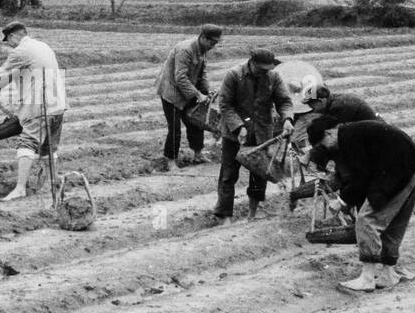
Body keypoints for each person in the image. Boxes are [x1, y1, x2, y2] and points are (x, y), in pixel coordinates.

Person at [308, 116, 415, 292]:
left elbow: (363, 178)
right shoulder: (353, 132)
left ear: (329, 132)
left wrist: (342, 201)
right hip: (412, 168)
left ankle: (367, 278)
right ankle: (388, 274)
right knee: (393, 222)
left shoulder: (349, 139)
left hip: (396, 170)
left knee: (366, 220)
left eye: (323, 142)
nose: (325, 147)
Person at [0, 21, 68, 201]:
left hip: (40, 107)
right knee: (48, 148)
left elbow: (2, 72)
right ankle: (52, 184)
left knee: (27, 143)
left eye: (8, 40)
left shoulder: (20, 51)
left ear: (15, 35)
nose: (8, 44)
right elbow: (16, 74)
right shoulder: (42, 46)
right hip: (58, 105)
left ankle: (20, 188)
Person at [214, 48, 295, 220]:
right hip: (234, 134)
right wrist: (239, 127)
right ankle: (224, 216)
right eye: (261, 69)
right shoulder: (234, 75)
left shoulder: (273, 77)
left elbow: (284, 101)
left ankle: (252, 213)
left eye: (268, 69)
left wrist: (287, 118)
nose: (264, 72)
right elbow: (225, 105)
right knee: (228, 175)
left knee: (259, 176)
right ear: (251, 63)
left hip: (261, 134)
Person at [155, 24, 221, 169]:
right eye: (212, 42)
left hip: (187, 90)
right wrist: (197, 94)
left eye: (216, 43)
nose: (213, 46)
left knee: (195, 122)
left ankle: (198, 154)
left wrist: (205, 91)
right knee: (175, 128)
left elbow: (202, 72)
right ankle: (171, 160)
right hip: (171, 92)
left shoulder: (202, 50)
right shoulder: (186, 50)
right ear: (203, 37)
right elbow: (180, 78)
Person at [300, 85, 380, 184]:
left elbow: (334, 135)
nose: (312, 109)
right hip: (362, 132)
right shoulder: (333, 102)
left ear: (321, 101)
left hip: (374, 138)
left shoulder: (340, 106)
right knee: (315, 127)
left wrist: (310, 154)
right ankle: (321, 166)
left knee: (327, 135)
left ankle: (332, 171)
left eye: (312, 105)